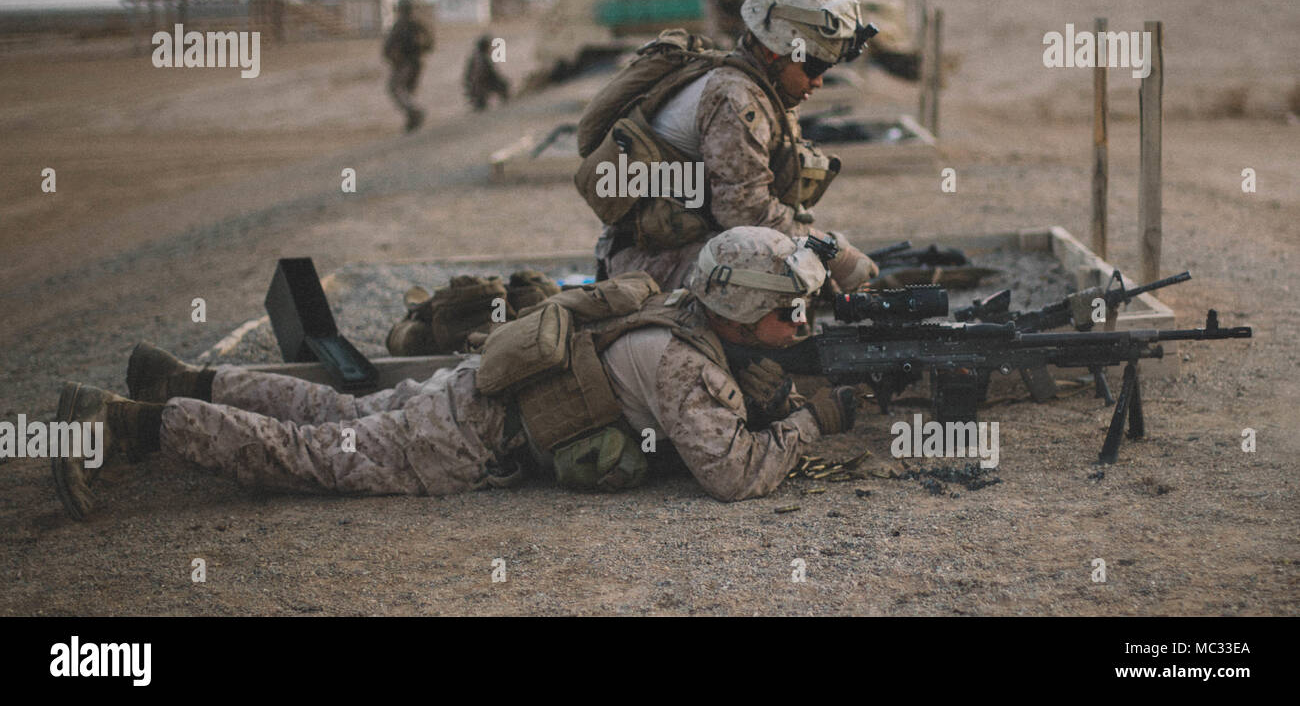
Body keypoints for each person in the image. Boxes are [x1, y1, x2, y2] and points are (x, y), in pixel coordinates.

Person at [51, 228, 858, 518]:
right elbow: (732, 475)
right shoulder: (684, 364)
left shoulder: (683, 310)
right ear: (741, 306)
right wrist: (811, 420)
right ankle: (127, 424)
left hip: (468, 394)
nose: (799, 326)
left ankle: (179, 380)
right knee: (311, 456)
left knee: (335, 413)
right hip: (466, 437)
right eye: (789, 312)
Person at [590, 0, 881, 292]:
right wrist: (833, 253)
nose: (818, 81)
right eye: (812, 67)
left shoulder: (762, 89)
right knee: (772, 271)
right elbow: (745, 213)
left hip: (681, 246)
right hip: (646, 262)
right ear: (773, 53)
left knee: (799, 270)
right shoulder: (735, 98)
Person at [381, 0, 434, 132]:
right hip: (417, 63)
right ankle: (412, 120)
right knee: (408, 92)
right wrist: (422, 49)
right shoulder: (417, 25)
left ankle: (414, 112)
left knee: (396, 89)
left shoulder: (398, 26)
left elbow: (387, 48)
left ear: (399, 10)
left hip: (404, 64)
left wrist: (393, 58)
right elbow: (430, 42)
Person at [462, 34, 510, 111]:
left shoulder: (478, 57)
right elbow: (482, 76)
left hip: (476, 87)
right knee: (503, 85)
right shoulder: (481, 59)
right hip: (479, 88)